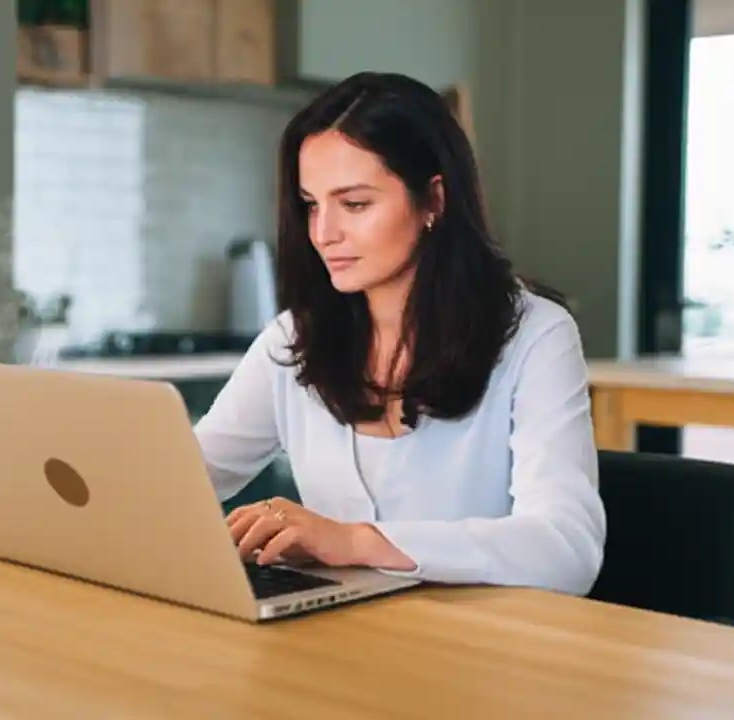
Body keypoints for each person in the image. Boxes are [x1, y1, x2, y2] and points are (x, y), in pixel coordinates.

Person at [193, 72, 605, 596]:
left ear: (433, 199)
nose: (324, 233)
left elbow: (566, 550)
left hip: (485, 653)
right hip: (339, 643)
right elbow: (184, 479)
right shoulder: (293, 339)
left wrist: (357, 540)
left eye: (355, 204)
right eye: (311, 204)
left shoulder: (535, 335)